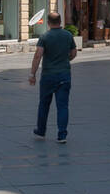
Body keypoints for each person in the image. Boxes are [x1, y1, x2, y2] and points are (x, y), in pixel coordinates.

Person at [29, 11, 76, 142]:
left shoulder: (45, 37)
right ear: (60, 22)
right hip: (64, 75)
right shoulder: (68, 35)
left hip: (48, 75)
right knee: (63, 106)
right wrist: (66, 60)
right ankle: (62, 135)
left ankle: (41, 131)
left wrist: (32, 74)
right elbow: (73, 52)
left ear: (48, 23)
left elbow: (38, 55)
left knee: (44, 104)